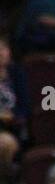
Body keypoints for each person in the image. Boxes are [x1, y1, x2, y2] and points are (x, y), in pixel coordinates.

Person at [0, 35, 27, 176]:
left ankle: (6, 183)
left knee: (5, 143)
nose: (0, 53)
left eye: (3, 48)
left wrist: (14, 117)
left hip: (11, 127)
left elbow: (24, 106)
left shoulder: (17, 73)